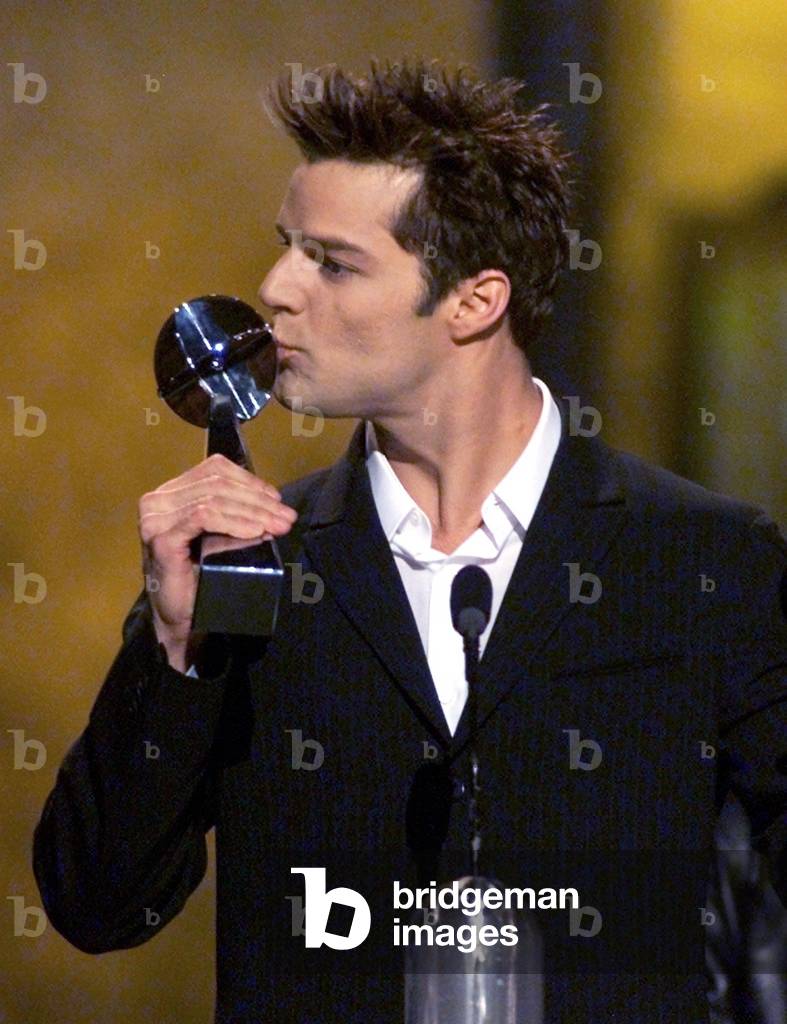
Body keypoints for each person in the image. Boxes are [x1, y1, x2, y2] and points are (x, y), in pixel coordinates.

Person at [33, 58, 786, 1023]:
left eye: (332, 262)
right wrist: (177, 654)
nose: (275, 288)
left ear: (475, 301)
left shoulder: (701, 560)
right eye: (285, 248)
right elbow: (97, 906)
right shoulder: (253, 564)